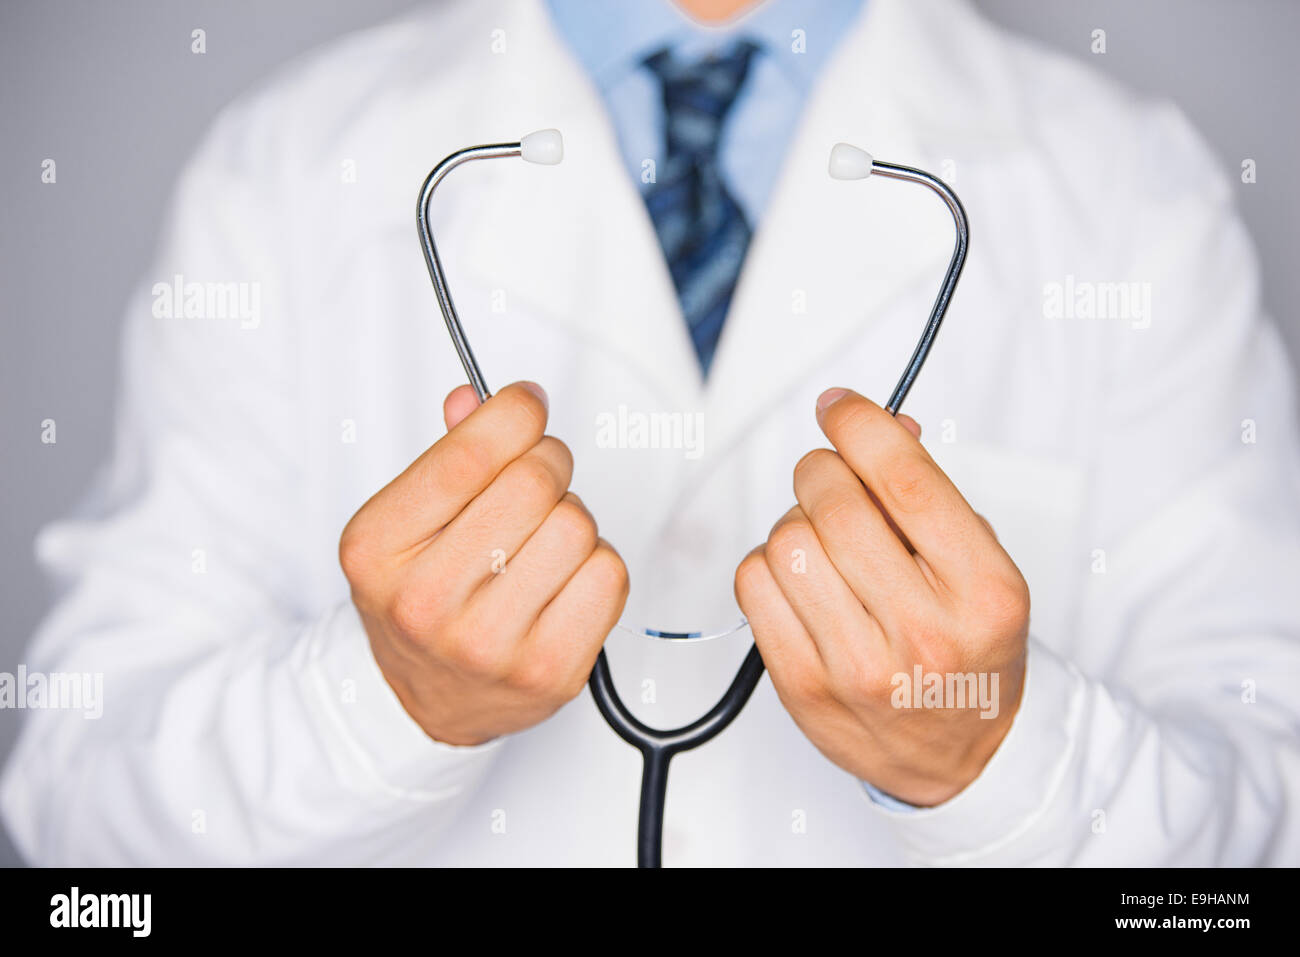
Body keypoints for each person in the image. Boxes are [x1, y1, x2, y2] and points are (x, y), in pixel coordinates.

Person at [3, 0, 1299, 866]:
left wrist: (1006, 751)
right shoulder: (285, 166)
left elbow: (1263, 839)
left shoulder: (1133, 192)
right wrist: (372, 704)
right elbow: (70, 825)